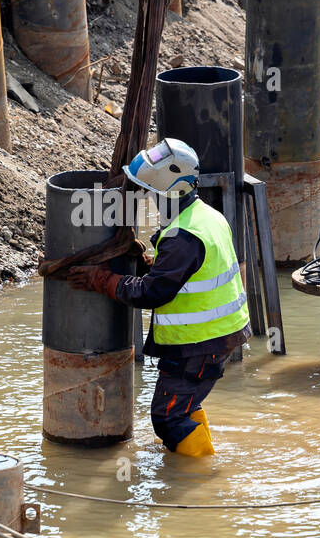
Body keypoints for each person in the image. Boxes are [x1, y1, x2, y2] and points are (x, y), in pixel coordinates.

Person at [67, 138, 251, 457]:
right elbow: (186, 274)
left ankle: (201, 479)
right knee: (183, 405)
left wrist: (104, 280)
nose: (146, 197)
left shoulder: (183, 237)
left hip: (199, 344)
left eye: (148, 190)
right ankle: (199, 459)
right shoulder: (204, 216)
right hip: (216, 337)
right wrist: (150, 264)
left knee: (167, 416)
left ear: (166, 190)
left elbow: (153, 292)